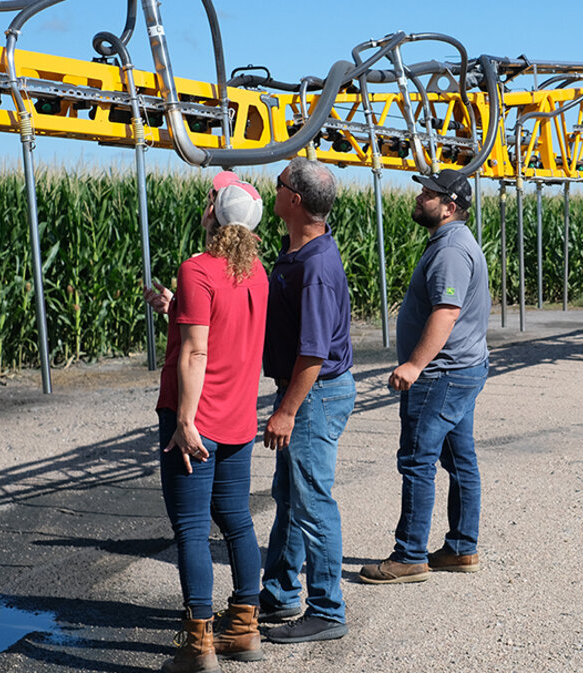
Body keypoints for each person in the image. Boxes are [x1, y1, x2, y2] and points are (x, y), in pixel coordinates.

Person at [144, 172, 269, 672]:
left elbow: (197, 352)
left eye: (209, 199)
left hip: (199, 418)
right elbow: (225, 324)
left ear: (214, 212)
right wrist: (175, 308)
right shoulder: (256, 272)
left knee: (192, 527)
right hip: (238, 415)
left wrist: (184, 420)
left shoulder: (197, 268)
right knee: (236, 518)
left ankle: (198, 645)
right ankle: (244, 627)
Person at [359, 169, 490, 585]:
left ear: (449, 207)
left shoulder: (450, 250)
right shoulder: (453, 242)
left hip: (441, 374)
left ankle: (410, 555)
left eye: (428, 194)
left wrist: (414, 365)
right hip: (460, 369)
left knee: (418, 460)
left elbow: (446, 312)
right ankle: (461, 548)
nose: (419, 197)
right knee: (459, 459)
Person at [258, 157, 356, 644]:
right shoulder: (299, 251)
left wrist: (287, 411)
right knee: (291, 496)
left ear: (294, 200)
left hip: (313, 395)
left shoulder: (315, 266)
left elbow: (314, 352)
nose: (272, 190)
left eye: (278, 184)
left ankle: (327, 610)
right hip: (306, 392)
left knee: (313, 503)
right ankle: (279, 592)